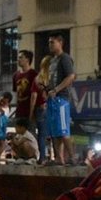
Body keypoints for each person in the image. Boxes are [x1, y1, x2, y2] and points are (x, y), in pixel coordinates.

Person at [45, 34, 76, 165]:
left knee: (63, 130)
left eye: (52, 42)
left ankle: (72, 158)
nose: (50, 45)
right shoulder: (52, 61)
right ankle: (59, 158)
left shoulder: (65, 58)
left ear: (60, 42)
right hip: (52, 98)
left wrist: (56, 89)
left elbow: (71, 76)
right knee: (55, 131)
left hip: (61, 98)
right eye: (49, 43)